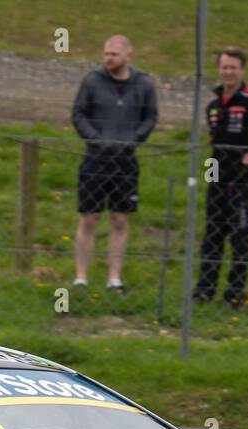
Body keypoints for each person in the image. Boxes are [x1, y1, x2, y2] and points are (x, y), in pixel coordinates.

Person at [193, 46, 248, 307]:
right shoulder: (213, 105)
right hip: (216, 178)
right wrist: (209, 176)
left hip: (242, 181)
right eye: (224, 67)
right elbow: (213, 144)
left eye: (233, 67)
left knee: (240, 237)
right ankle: (204, 290)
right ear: (218, 69)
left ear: (242, 70)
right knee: (212, 235)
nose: (228, 72)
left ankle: (235, 294)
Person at [71, 34, 158, 294]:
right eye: (106, 54)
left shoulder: (144, 84)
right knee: (89, 218)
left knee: (120, 219)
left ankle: (114, 279)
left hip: (126, 161)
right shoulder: (92, 81)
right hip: (95, 160)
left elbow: (150, 117)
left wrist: (134, 139)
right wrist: (95, 139)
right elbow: (78, 114)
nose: (108, 59)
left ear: (128, 56)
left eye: (114, 54)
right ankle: (81, 278)